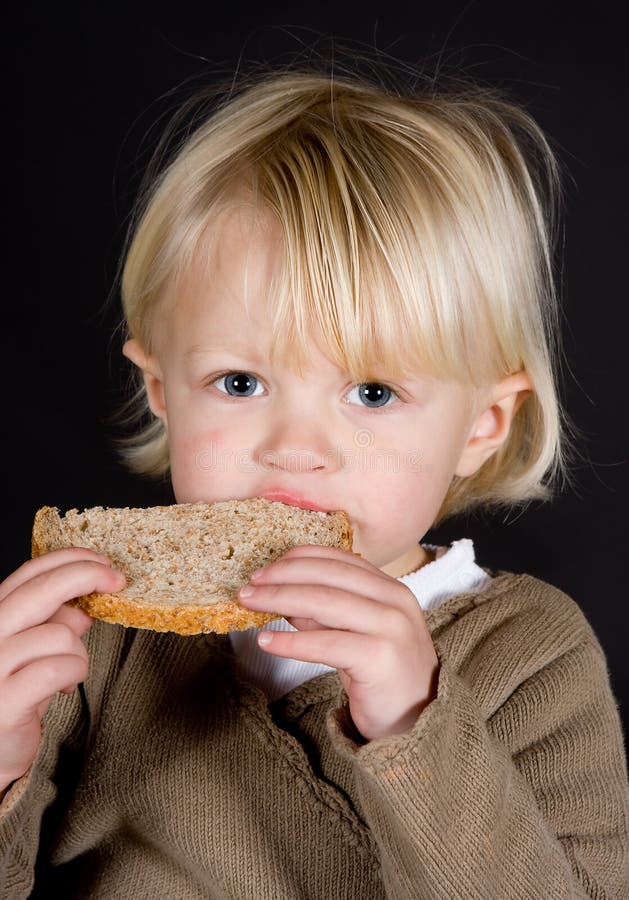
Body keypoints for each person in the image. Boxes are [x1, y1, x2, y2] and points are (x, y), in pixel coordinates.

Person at [1, 61, 627, 899]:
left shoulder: (531, 654)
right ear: (161, 392)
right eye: (239, 384)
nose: (294, 449)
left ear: (481, 425)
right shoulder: (97, 637)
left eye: (371, 392)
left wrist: (413, 725)